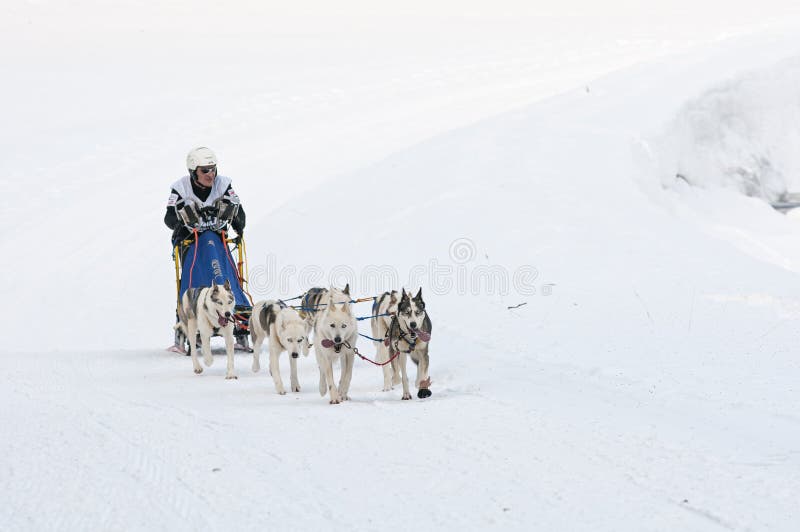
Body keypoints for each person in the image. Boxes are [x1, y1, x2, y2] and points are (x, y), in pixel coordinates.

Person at [165, 147, 251, 352]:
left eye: (213, 169)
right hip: (191, 243)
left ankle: (238, 310)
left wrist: (234, 216)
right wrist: (184, 218)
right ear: (193, 172)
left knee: (221, 263)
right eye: (205, 171)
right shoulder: (180, 188)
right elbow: (168, 218)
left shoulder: (224, 185)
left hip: (217, 241)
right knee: (196, 269)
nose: (210, 174)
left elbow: (241, 217)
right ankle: (190, 316)